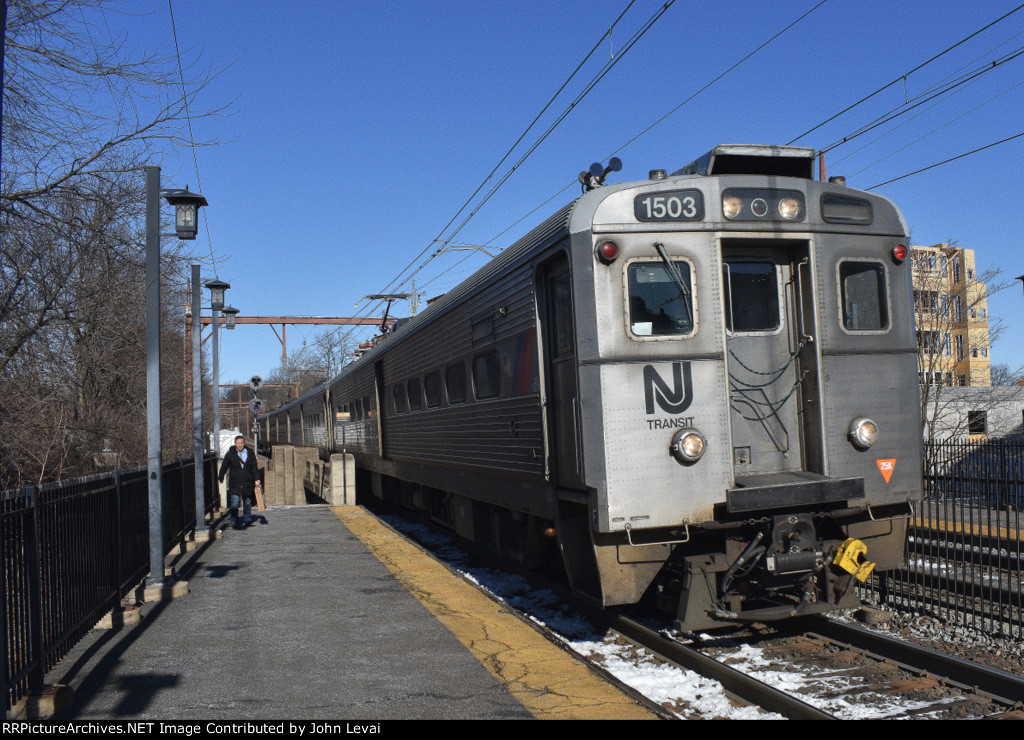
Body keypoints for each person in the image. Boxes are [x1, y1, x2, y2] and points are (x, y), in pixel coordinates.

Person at [218, 434, 262, 528]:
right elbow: (224, 466)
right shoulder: (230, 454)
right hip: (235, 482)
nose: (240, 445)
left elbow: (254, 467)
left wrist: (257, 479)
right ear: (235, 444)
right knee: (235, 502)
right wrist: (221, 477)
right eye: (238, 443)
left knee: (247, 502)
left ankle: (247, 519)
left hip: (247, 482)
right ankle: (234, 520)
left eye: (241, 443)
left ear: (244, 443)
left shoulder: (250, 453)